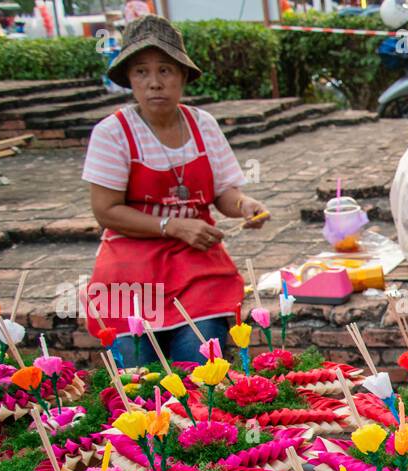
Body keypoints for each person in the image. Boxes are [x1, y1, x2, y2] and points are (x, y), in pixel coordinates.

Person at [82, 15, 269, 366]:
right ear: (129, 80)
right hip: (131, 277)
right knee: (141, 382)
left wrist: (244, 204)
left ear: (183, 76)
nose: (154, 83)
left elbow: (223, 193)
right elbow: (105, 210)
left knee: (200, 371)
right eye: (141, 72)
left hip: (196, 269)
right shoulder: (113, 133)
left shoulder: (203, 125)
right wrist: (173, 226)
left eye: (165, 70)